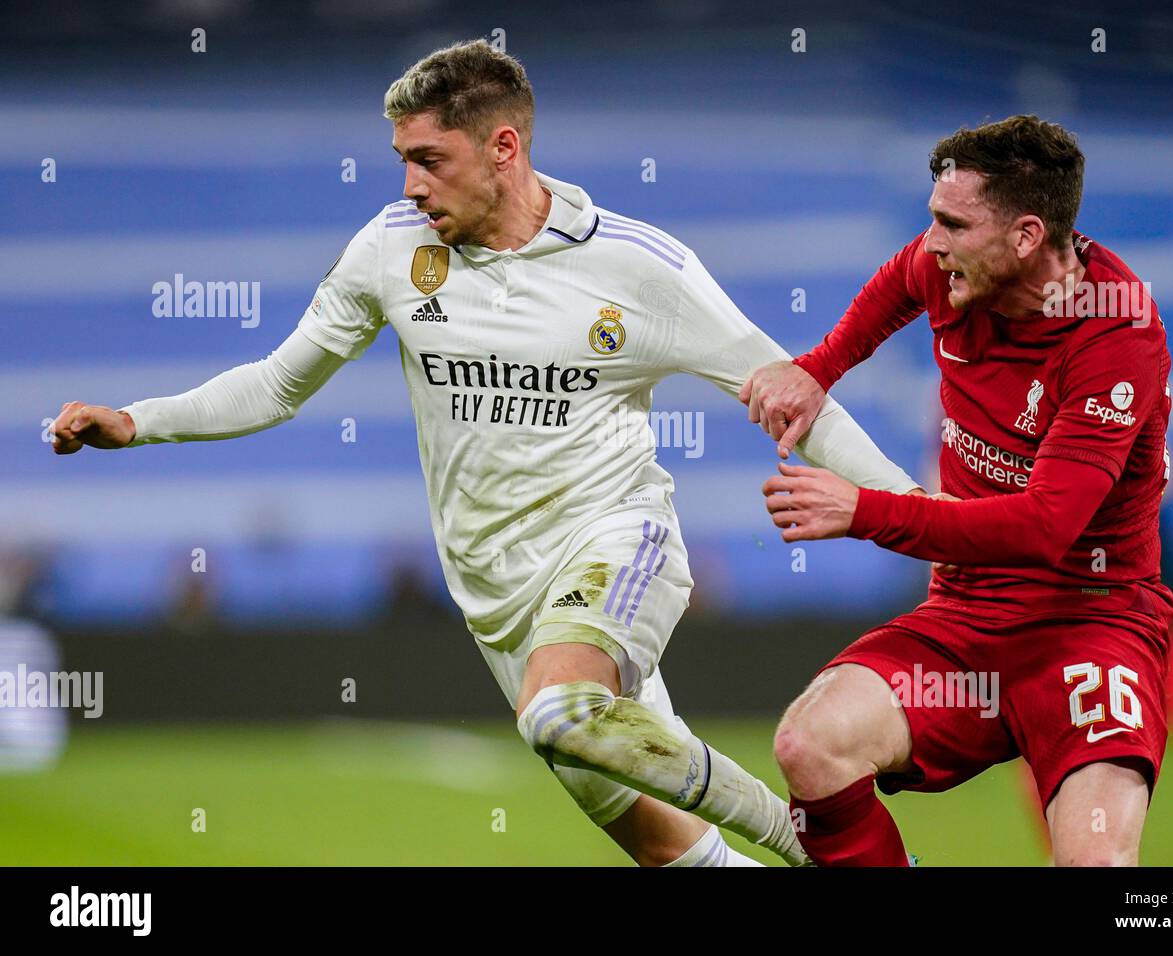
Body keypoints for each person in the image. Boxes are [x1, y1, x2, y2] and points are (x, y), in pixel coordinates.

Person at [49, 40, 921, 866]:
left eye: (430, 159)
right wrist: (137, 421)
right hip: (496, 598)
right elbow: (279, 383)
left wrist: (926, 518)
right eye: (402, 159)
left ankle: (811, 842)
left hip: (616, 540)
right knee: (665, 847)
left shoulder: (637, 267)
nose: (409, 184)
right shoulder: (391, 250)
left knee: (558, 711)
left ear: (503, 146)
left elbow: (792, 396)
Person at [742, 115, 1173, 866]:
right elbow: (893, 284)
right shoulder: (954, 272)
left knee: (1097, 862)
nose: (931, 242)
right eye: (931, 218)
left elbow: (1046, 527)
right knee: (810, 744)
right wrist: (819, 369)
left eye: (951, 223)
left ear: (1025, 236)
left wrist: (864, 512)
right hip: (968, 620)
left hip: (1091, 626)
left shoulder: (1118, 335)